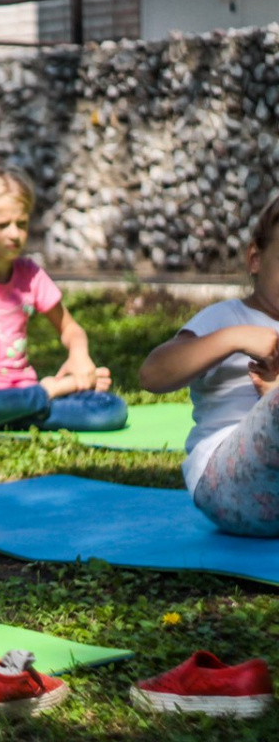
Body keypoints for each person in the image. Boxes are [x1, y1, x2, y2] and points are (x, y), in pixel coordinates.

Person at [0, 167, 127, 437]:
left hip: (23, 391)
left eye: (21, 224)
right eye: (2, 225)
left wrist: (80, 357)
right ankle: (47, 394)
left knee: (111, 409)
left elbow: (70, 328)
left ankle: (17, 414)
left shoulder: (31, 275)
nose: (14, 234)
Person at [139, 195, 279, 537]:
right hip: (227, 485)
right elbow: (153, 374)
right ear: (255, 259)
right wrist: (233, 338)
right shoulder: (228, 317)